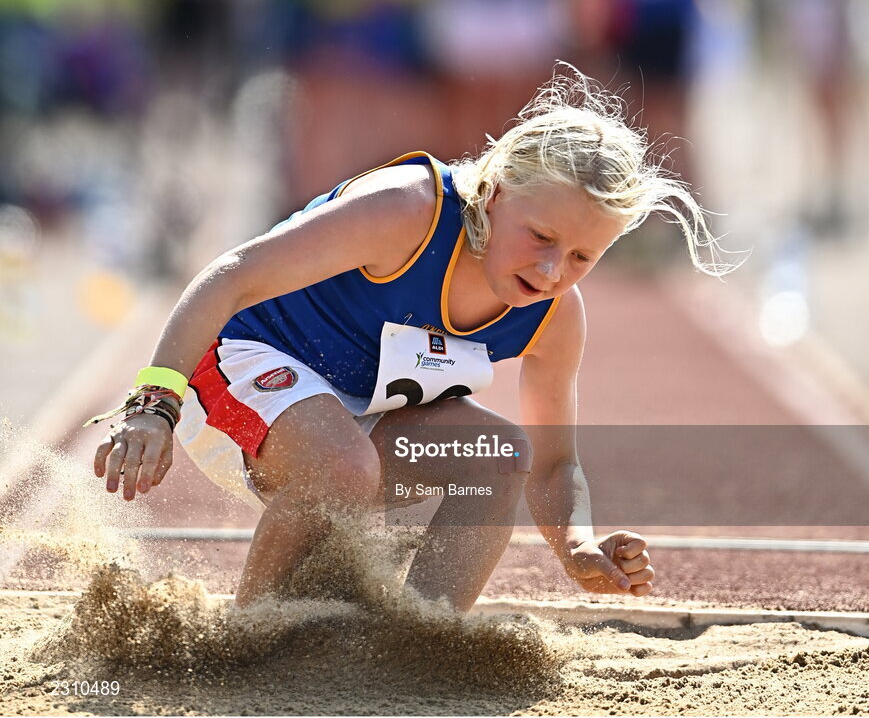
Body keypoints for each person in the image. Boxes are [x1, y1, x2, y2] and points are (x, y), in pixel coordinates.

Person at [90, 68, 726, 611]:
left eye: (584, 256)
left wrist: (579, 546)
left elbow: (556, 464)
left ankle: (415, 639)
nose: (552, 271)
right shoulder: (407, 214)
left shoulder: (554, 316)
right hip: (237, 359)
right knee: (342, 468)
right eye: (541, 238)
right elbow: (229, 277)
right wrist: (154, 405)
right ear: (496, 193)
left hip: (355, 415)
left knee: (499, 455)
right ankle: (248, 639)